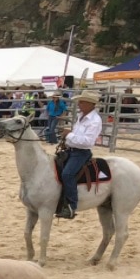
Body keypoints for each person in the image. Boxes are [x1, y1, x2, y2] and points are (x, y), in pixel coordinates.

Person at [57, 90, 104, 220]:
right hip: (71, 150)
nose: (79, 104)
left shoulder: (94, 121)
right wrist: (67, 139)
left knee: (67, 174)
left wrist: (69, 135)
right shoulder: (81, 117)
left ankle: (72, 206)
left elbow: (87, 141)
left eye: (82, 101)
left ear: (90, 104)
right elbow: (78, 136)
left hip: (81, 153)